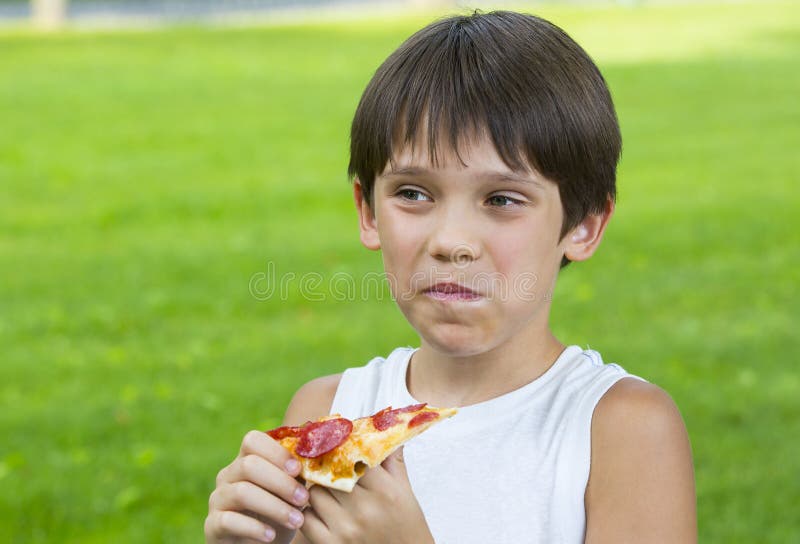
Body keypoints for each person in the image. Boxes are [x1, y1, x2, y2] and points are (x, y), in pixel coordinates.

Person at [205, 10, 696, 544]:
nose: (450, 242)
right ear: (368, 211)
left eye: (502, 199)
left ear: (583, 225)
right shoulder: (329, 412)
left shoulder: (621, 431)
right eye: (413, 194)